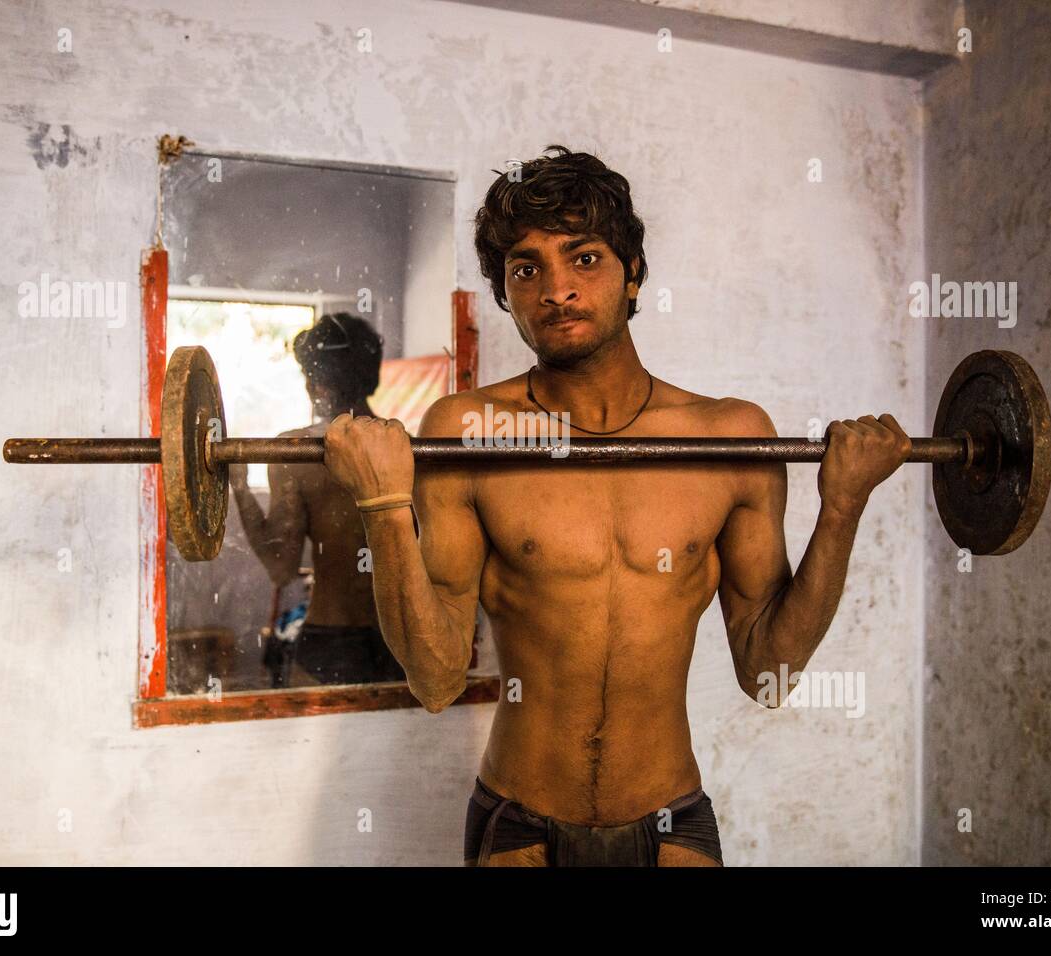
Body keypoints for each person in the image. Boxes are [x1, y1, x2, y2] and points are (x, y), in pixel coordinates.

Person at [322, 145, 910, 866]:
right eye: (527, 268)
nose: (556, 289)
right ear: (507, 294)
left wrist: (842, 509)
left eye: (585, 258)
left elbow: (769, 671)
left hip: (673, 827)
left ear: (635, 275)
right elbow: (439, 679)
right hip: (520, 827)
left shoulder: (730, 437)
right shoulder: (465, 433)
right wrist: (383, 505)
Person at [230, 312, 406, 686]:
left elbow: (281, 569)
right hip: (403, 640)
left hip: (332, 637)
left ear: (317, 384)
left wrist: (241, 488)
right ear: (370, 375)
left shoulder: (298, 452)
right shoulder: (405, 445)